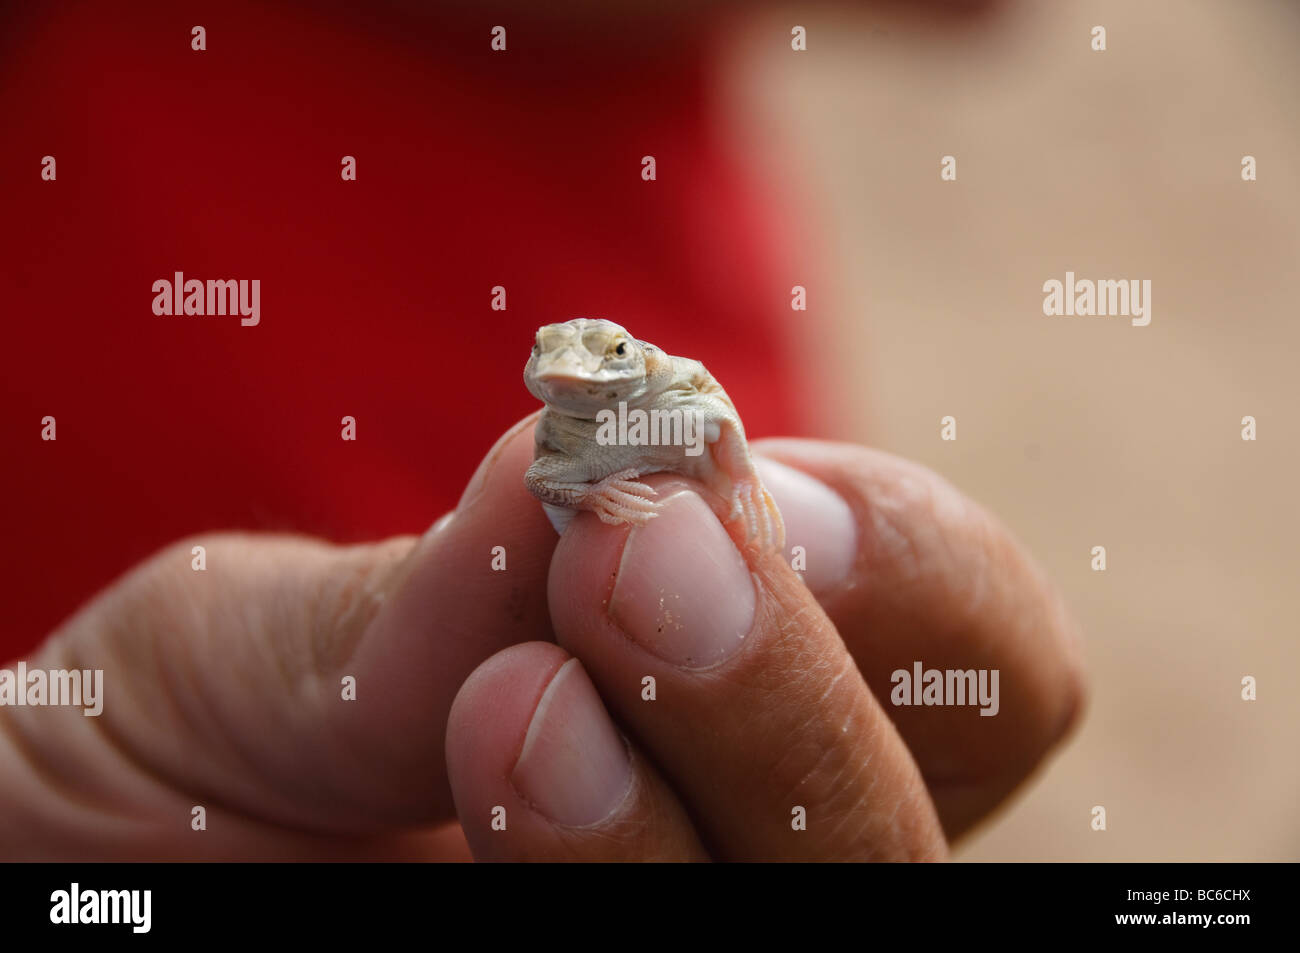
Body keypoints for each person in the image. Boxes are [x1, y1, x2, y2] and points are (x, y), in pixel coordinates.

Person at [1, 413, 1084, 860]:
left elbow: (713, 428)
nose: (565, 377)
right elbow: (553, 478)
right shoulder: (553, 446)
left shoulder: (661, 391)